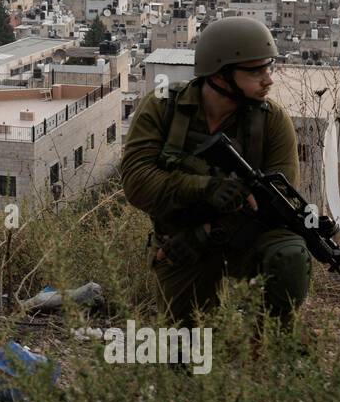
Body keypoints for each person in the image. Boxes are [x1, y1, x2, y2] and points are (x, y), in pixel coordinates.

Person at [119, 17, 310, 327]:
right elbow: (137, 182)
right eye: (255, 71)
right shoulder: (161, 107)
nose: (268, 80)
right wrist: (204, 187)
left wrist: (207, 233)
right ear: (221, 74)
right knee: (184, 355)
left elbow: (281, 205)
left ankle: (270, 342)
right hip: (180, 239)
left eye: (269, 67)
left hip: (246, 237)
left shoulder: (273, 121)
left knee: (288, 255)